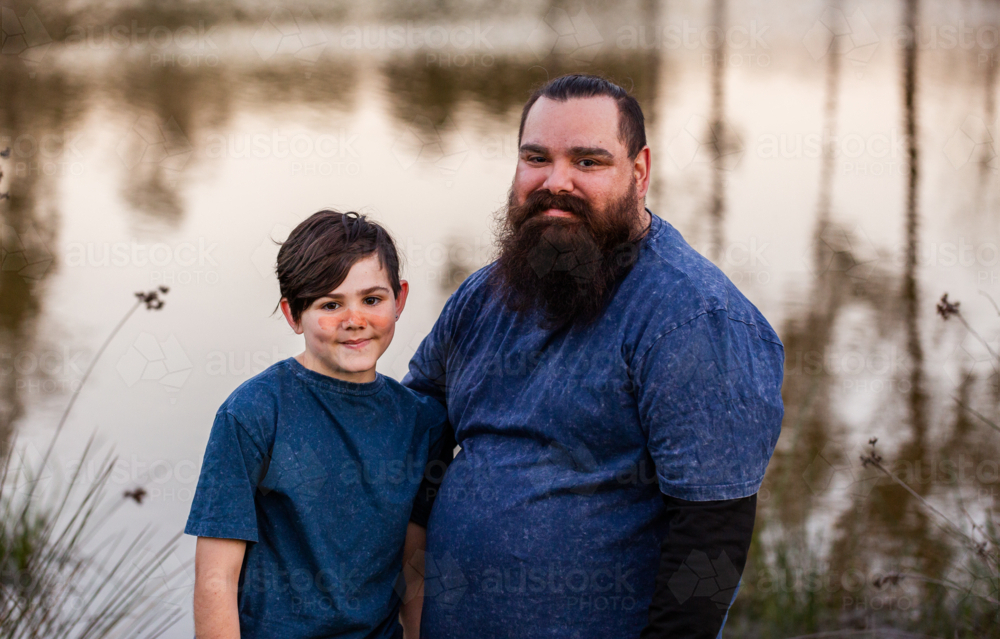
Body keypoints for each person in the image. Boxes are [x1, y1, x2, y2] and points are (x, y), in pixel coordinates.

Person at [402, 74, 785, 638]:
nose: (556, 182)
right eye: (537, 158)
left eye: (588, 161)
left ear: (640, 171)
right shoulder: (483, 296)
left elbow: (712, 543)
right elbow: (417, 433)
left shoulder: (694, 321)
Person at [185, 210, 446, 639]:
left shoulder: (423, 422)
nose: (354, 319)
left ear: (399, 299)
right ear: (293, 314)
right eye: (330, 304)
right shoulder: (252, 413)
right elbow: (217, 576)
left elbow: (414, 570)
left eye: (372, 300)